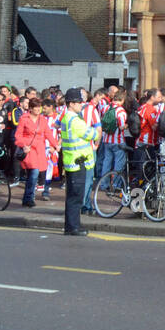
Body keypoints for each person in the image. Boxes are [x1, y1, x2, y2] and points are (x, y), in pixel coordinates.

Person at [59, 88, 99, 236]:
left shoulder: (65, 118)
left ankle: (71, 225)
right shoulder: (75, 120)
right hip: (78, 162)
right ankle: (73, 227)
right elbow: (92, 134)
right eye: (78, 102)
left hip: (71, 161)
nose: (81, 105)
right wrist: (96, 132)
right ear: (70, 104)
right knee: (76, 197)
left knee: (71, 196)